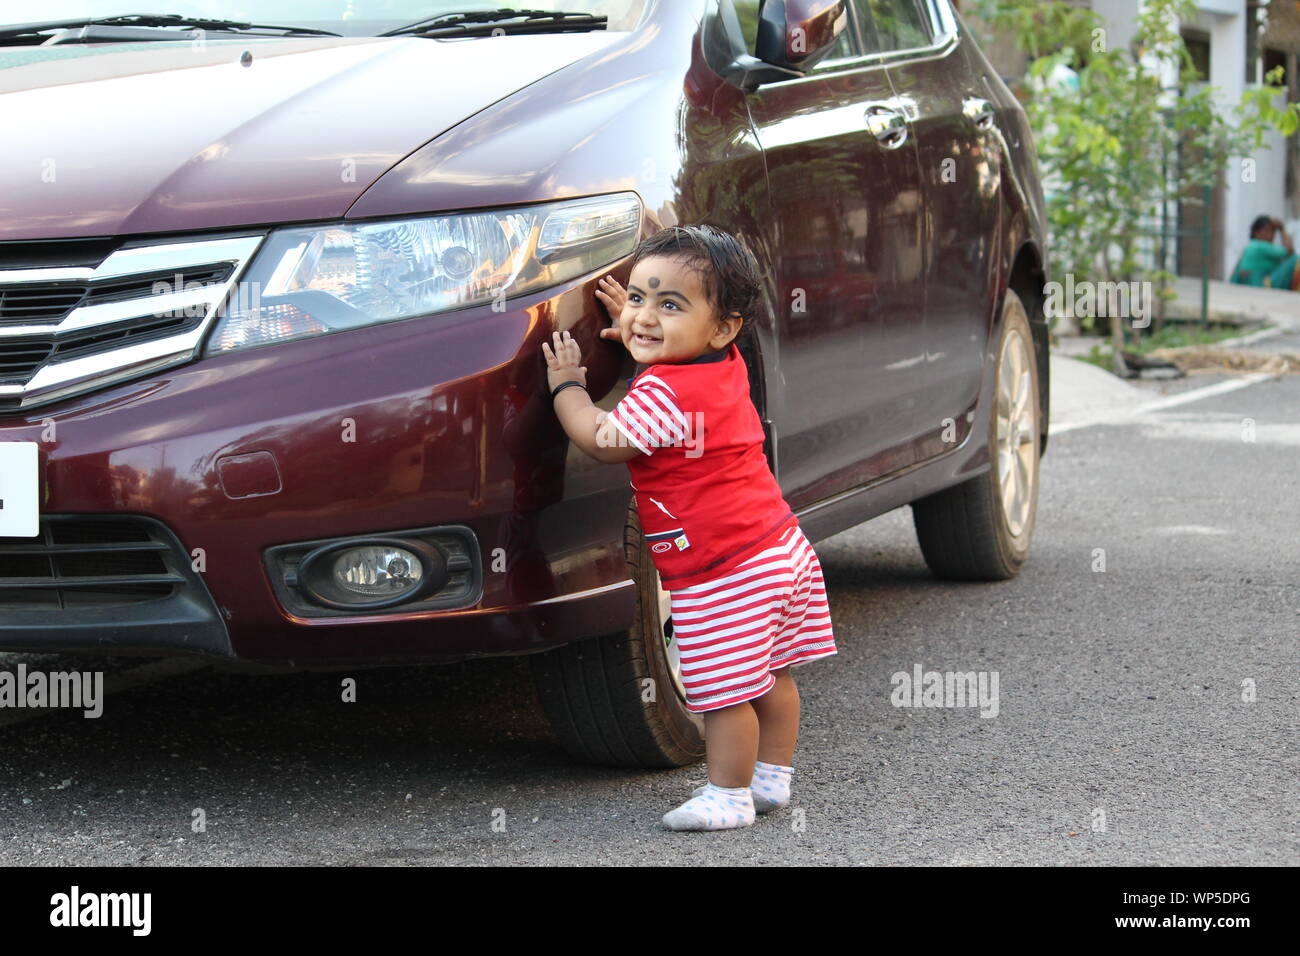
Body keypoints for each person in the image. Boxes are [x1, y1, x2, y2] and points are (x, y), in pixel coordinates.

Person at [541, 224, 837, 831]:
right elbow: (673, 349)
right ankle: (772, 778)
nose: (645, 316)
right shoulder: (722, 365)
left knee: (725, 693)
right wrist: (640, 324)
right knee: (773, 675)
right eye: (640, 295)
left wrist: (568, 388)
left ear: (724, 326)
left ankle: (728, 797)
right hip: (782, 549)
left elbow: (604, 440)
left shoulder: (662, 392)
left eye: (669, 305)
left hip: (723, 571)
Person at [1230, 215, 1300, 290]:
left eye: (1273, 231)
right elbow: (1290, 252)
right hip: (1258, 284)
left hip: (1248, 285)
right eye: (1267, 231)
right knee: (1295, 260)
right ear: (1256, 233)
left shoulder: (1250, 247)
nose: (1271, 235)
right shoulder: (1258, 245)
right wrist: (1281, 229)